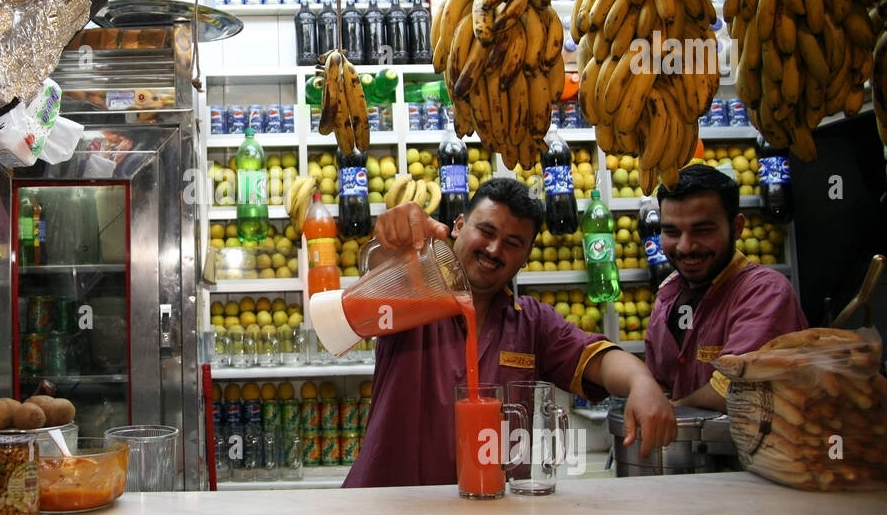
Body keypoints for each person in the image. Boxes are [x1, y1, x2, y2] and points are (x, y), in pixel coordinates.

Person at [344, 177, 677, 488]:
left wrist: (642, 382)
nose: (493, 249)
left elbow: (600, 361)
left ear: (526, 257)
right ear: (458, 225)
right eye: (485, 231)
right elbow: (378, 272)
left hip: (488, 513)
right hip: (390, 506)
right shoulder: (413, 294)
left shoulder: (532, 323)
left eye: (512, 243)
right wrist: (391, 240)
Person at [645, 164, 807, 411]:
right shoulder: (668, 296)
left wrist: (671, 408)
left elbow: (736, 389)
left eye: (703, 230)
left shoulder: (766, 292)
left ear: (737, 227)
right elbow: (657, 383)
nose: (686, 246)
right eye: (672, 231)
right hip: (684, 449)